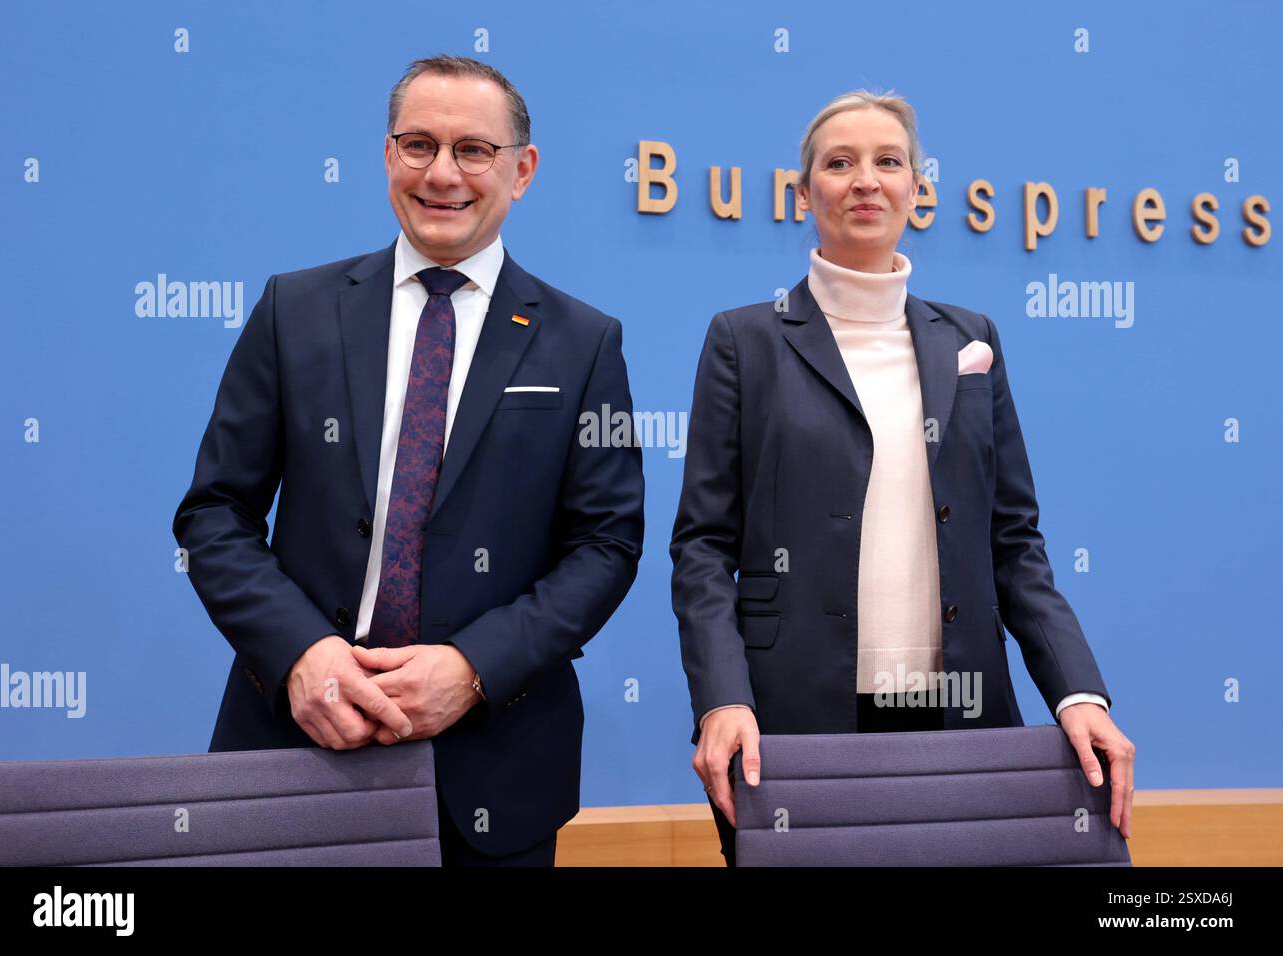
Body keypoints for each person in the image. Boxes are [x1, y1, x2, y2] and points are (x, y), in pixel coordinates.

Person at [174, 54, 644, 867]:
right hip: (293, 744)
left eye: (474, 150)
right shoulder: (295, 310)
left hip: (494, 770)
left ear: (522, 170)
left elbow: (605, 547)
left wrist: (473, 668)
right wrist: (301, 652)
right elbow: (215, 514)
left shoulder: (584, 343)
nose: (442, 174)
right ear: (388, 156)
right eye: (418, 145)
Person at [669, 90, 1134, 867]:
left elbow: (1015, 542)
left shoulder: (972, 338)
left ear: (917, 187)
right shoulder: (743, 340)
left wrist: (1078, 691)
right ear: (803, 192)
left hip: (957, 709)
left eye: (888, 161)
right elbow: (703, 550)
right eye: (839, 163)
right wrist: (722, 697)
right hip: (793, 716)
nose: (865, 180)